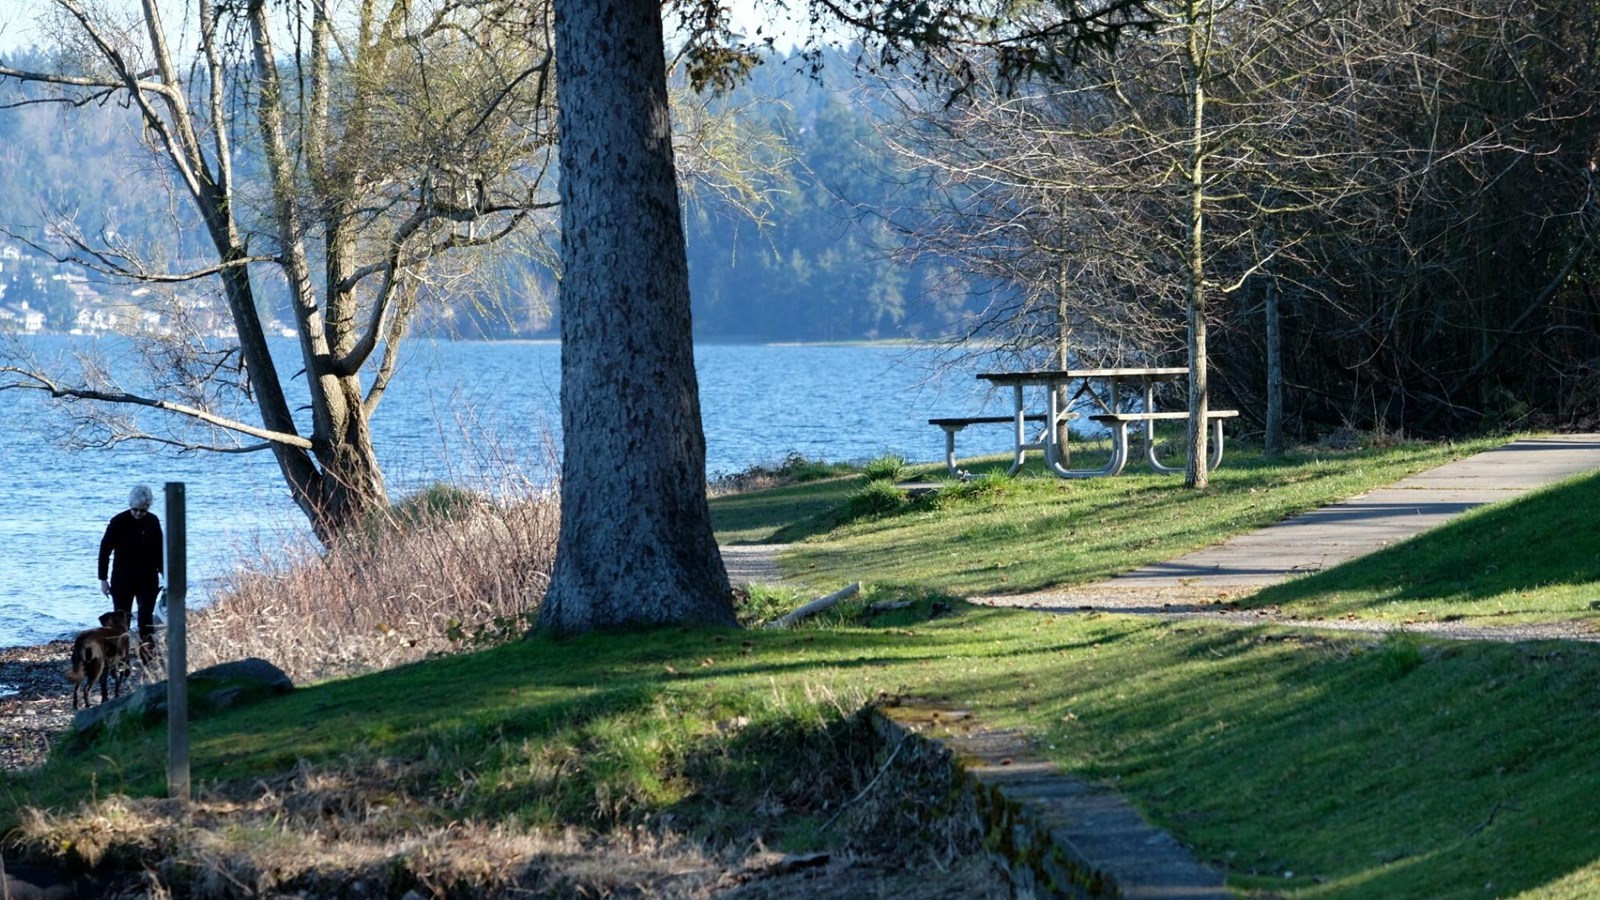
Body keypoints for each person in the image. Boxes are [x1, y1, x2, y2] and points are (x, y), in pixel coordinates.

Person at [98, 484, 163, 662]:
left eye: (142, 511)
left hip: (148, 579)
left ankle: (148, 656)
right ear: (130, 506)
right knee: (121, 621)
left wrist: (167, 575)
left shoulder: (153, 521)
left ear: (148, 508)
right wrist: (103, 579)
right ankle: (120, 658)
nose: (138, 514)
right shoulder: (118, 522)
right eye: (135, 510)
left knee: (145, 619)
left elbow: (160, 552)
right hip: (122, 579)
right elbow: (105, 550)